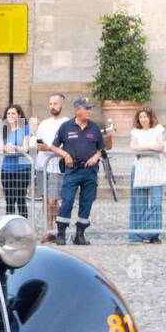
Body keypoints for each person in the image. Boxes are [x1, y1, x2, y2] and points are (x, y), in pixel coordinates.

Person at [52, 97, 112, 245]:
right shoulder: (66, 126)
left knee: (87, 202)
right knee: (67, 201)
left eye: (90, 108)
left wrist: (96, 157)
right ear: (77, 109)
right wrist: (65, 155)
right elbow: (53, 146)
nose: (89, 111)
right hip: (72, 170)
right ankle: (61, 233)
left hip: (90, 171)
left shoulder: (94, 127)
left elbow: (101, 148)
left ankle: (80, 234)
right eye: (86, 108)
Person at [128, 106, 166, 244]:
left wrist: (143, 149)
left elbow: (160, 147)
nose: (143, 119)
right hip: (139, 169)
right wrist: (151, 147)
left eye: (145, 116)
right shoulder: (135, 132)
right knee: (139, 204)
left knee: (156, 203)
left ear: (150, 117)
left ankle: (151, 233)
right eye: (141, 117)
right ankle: (138, 234)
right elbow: (133, 147)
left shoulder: (158, 129)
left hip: (155, 170)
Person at [32, 93, 68, 241]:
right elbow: (37, 143)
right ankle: (49, 228)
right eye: (51, 104)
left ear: (62, 105)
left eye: (56, 104)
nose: (53, 106)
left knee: (53, 200)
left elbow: (65, 145)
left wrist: (49, 148)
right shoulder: (44, 124)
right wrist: (40, 146)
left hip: (55, 166)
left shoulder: (67, 123)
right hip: (42, 166)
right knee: (46, 199)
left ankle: (56, 228)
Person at [0, 104, 31, 217]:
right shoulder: (4, 128)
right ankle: (10, 226)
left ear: (19, 115)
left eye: (13, 113)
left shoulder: (25, 128)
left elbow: (26, 147)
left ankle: (24, 227)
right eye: (8, 113)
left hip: (22, 168)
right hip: (6, 168)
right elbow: (0, 146)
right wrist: (4, 148)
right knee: (9, 200)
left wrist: (14, 147)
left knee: (20, 199)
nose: (10, 115)